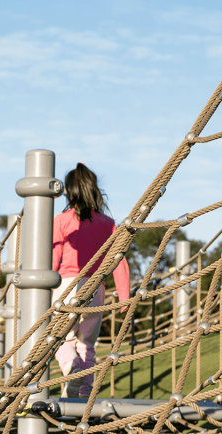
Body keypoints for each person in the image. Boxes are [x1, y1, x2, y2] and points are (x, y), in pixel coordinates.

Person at [53, 163, 131, 398]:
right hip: (95, 289)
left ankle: (71, 368)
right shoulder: (107, 223)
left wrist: (44, 289)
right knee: (86, 344)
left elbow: (54, 258)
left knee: (60, 339)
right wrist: (124, 296)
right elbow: (118, 260)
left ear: (68, 191)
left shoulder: (61, 221)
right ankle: (84, 391)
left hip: (66, 286)